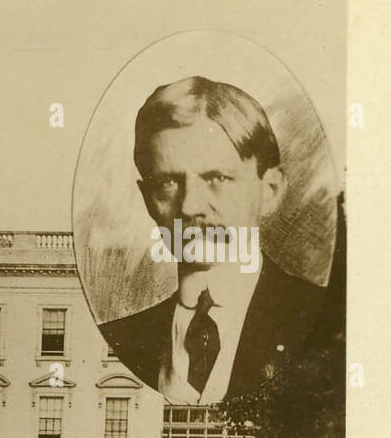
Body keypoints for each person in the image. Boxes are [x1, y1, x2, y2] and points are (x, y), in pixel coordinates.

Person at [99, 76, 324, 403]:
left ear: (270, 190)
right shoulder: (125, 338)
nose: (190, 206)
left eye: (217, 178)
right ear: (148, 200)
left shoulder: (320, 315)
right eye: (167, 183)